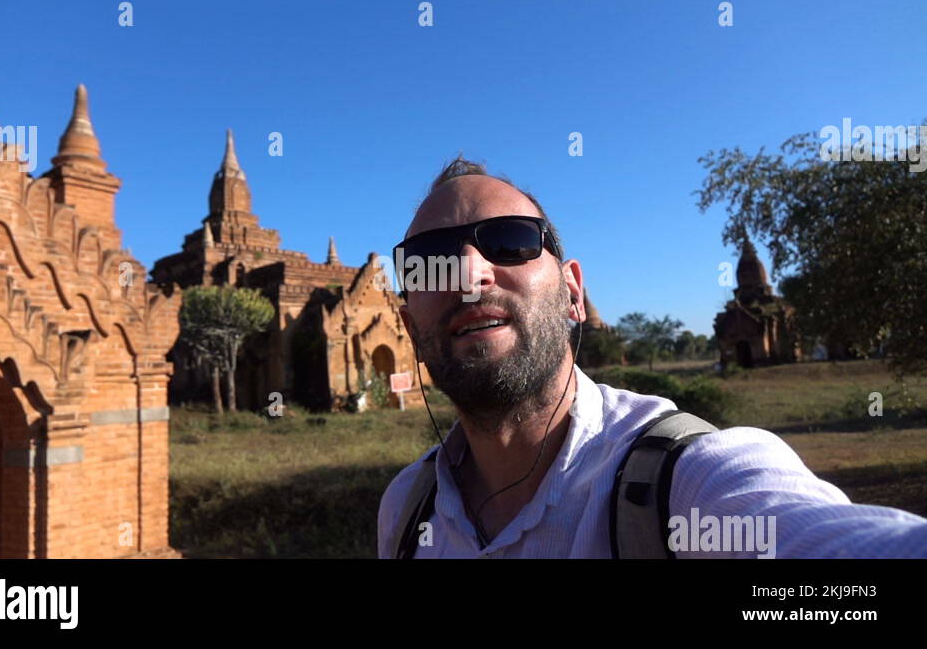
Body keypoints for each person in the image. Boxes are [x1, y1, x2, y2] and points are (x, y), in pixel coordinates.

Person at [377, 156, 927, 559]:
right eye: (432, 260)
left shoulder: (684, 480)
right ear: (408, 325)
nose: (470, 274)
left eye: (510, 241)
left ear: (573, 295)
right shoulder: (405, 509)